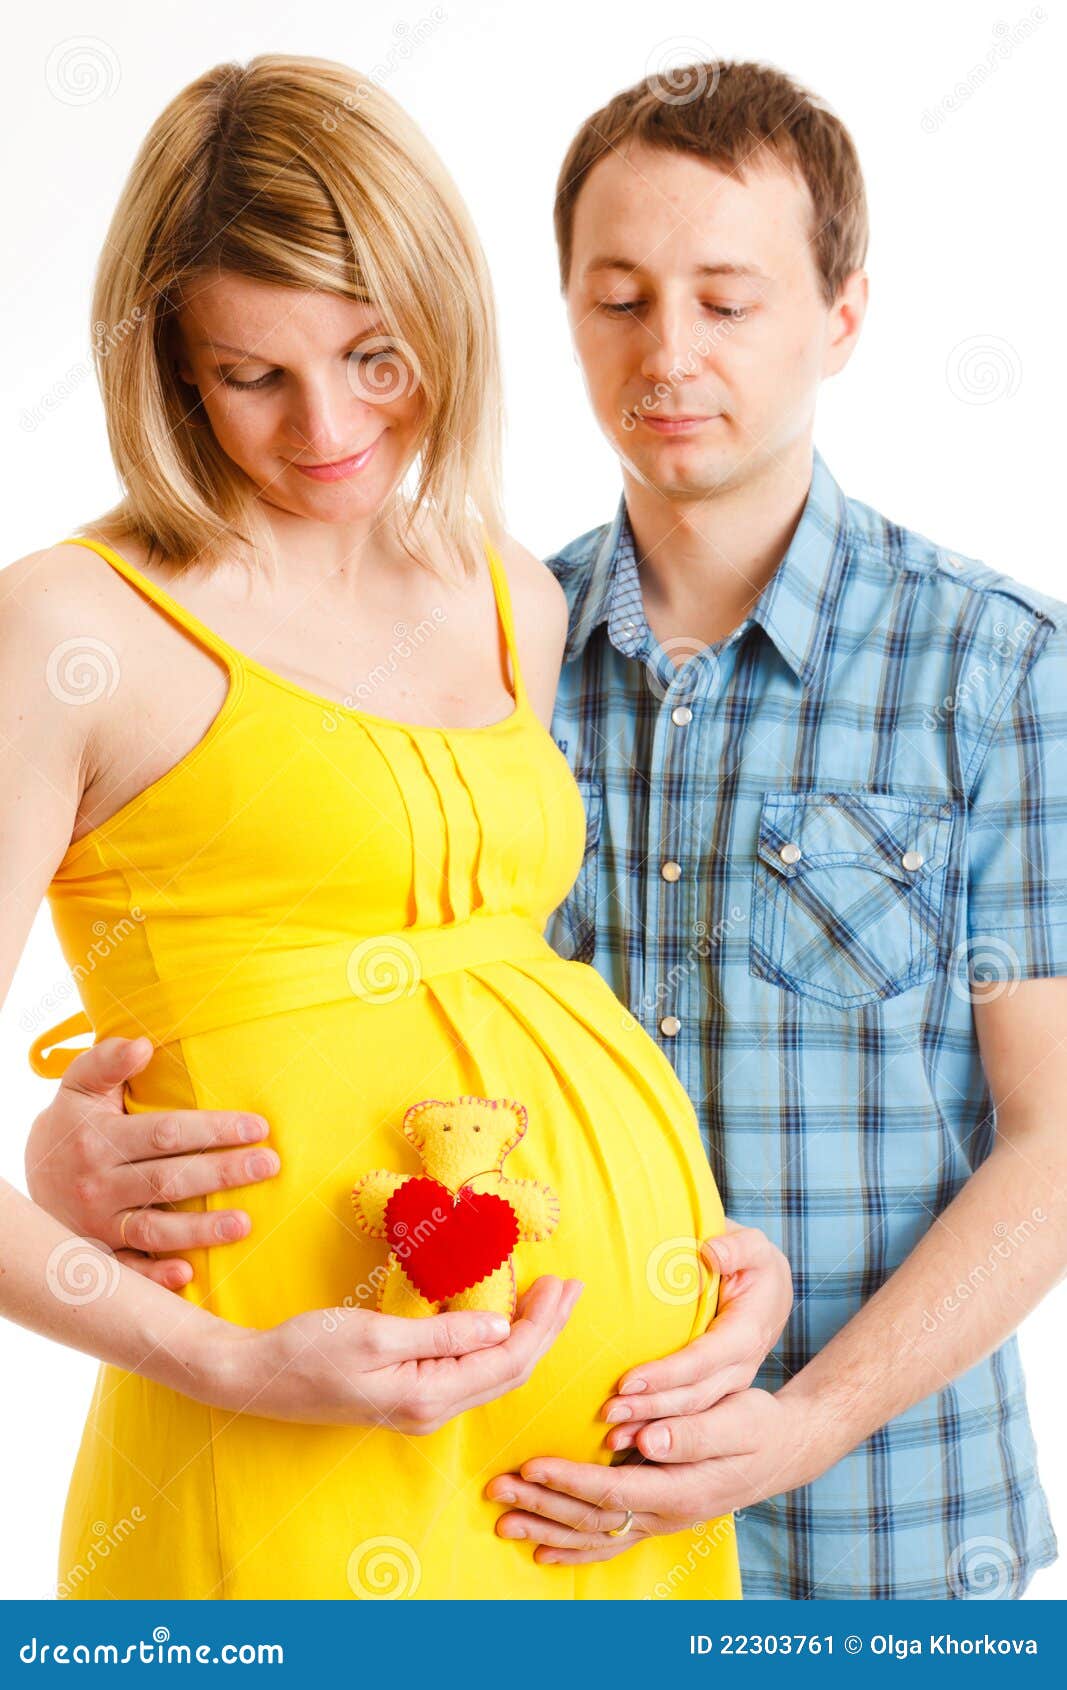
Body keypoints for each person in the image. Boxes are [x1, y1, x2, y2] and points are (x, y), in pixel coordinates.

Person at [2, 54, 792, 1602]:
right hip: (285, 1442)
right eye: (253, 375)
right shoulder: (65, 628)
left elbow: (513, 1005)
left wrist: (709, 1258)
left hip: (605, 1479)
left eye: (377, 356)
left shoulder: (516, 590)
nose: (329, 431)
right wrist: (230, 1359)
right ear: (164, 361)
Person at [505, 60, 1065, 1599]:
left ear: (841, 315)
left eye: (726, 299)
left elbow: (1058, 1142)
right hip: (544, 1525)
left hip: (890, 1544)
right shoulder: (490, 668)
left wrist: (802, 1421)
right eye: (618, 298)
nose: (667, 351)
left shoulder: (1007, 667)